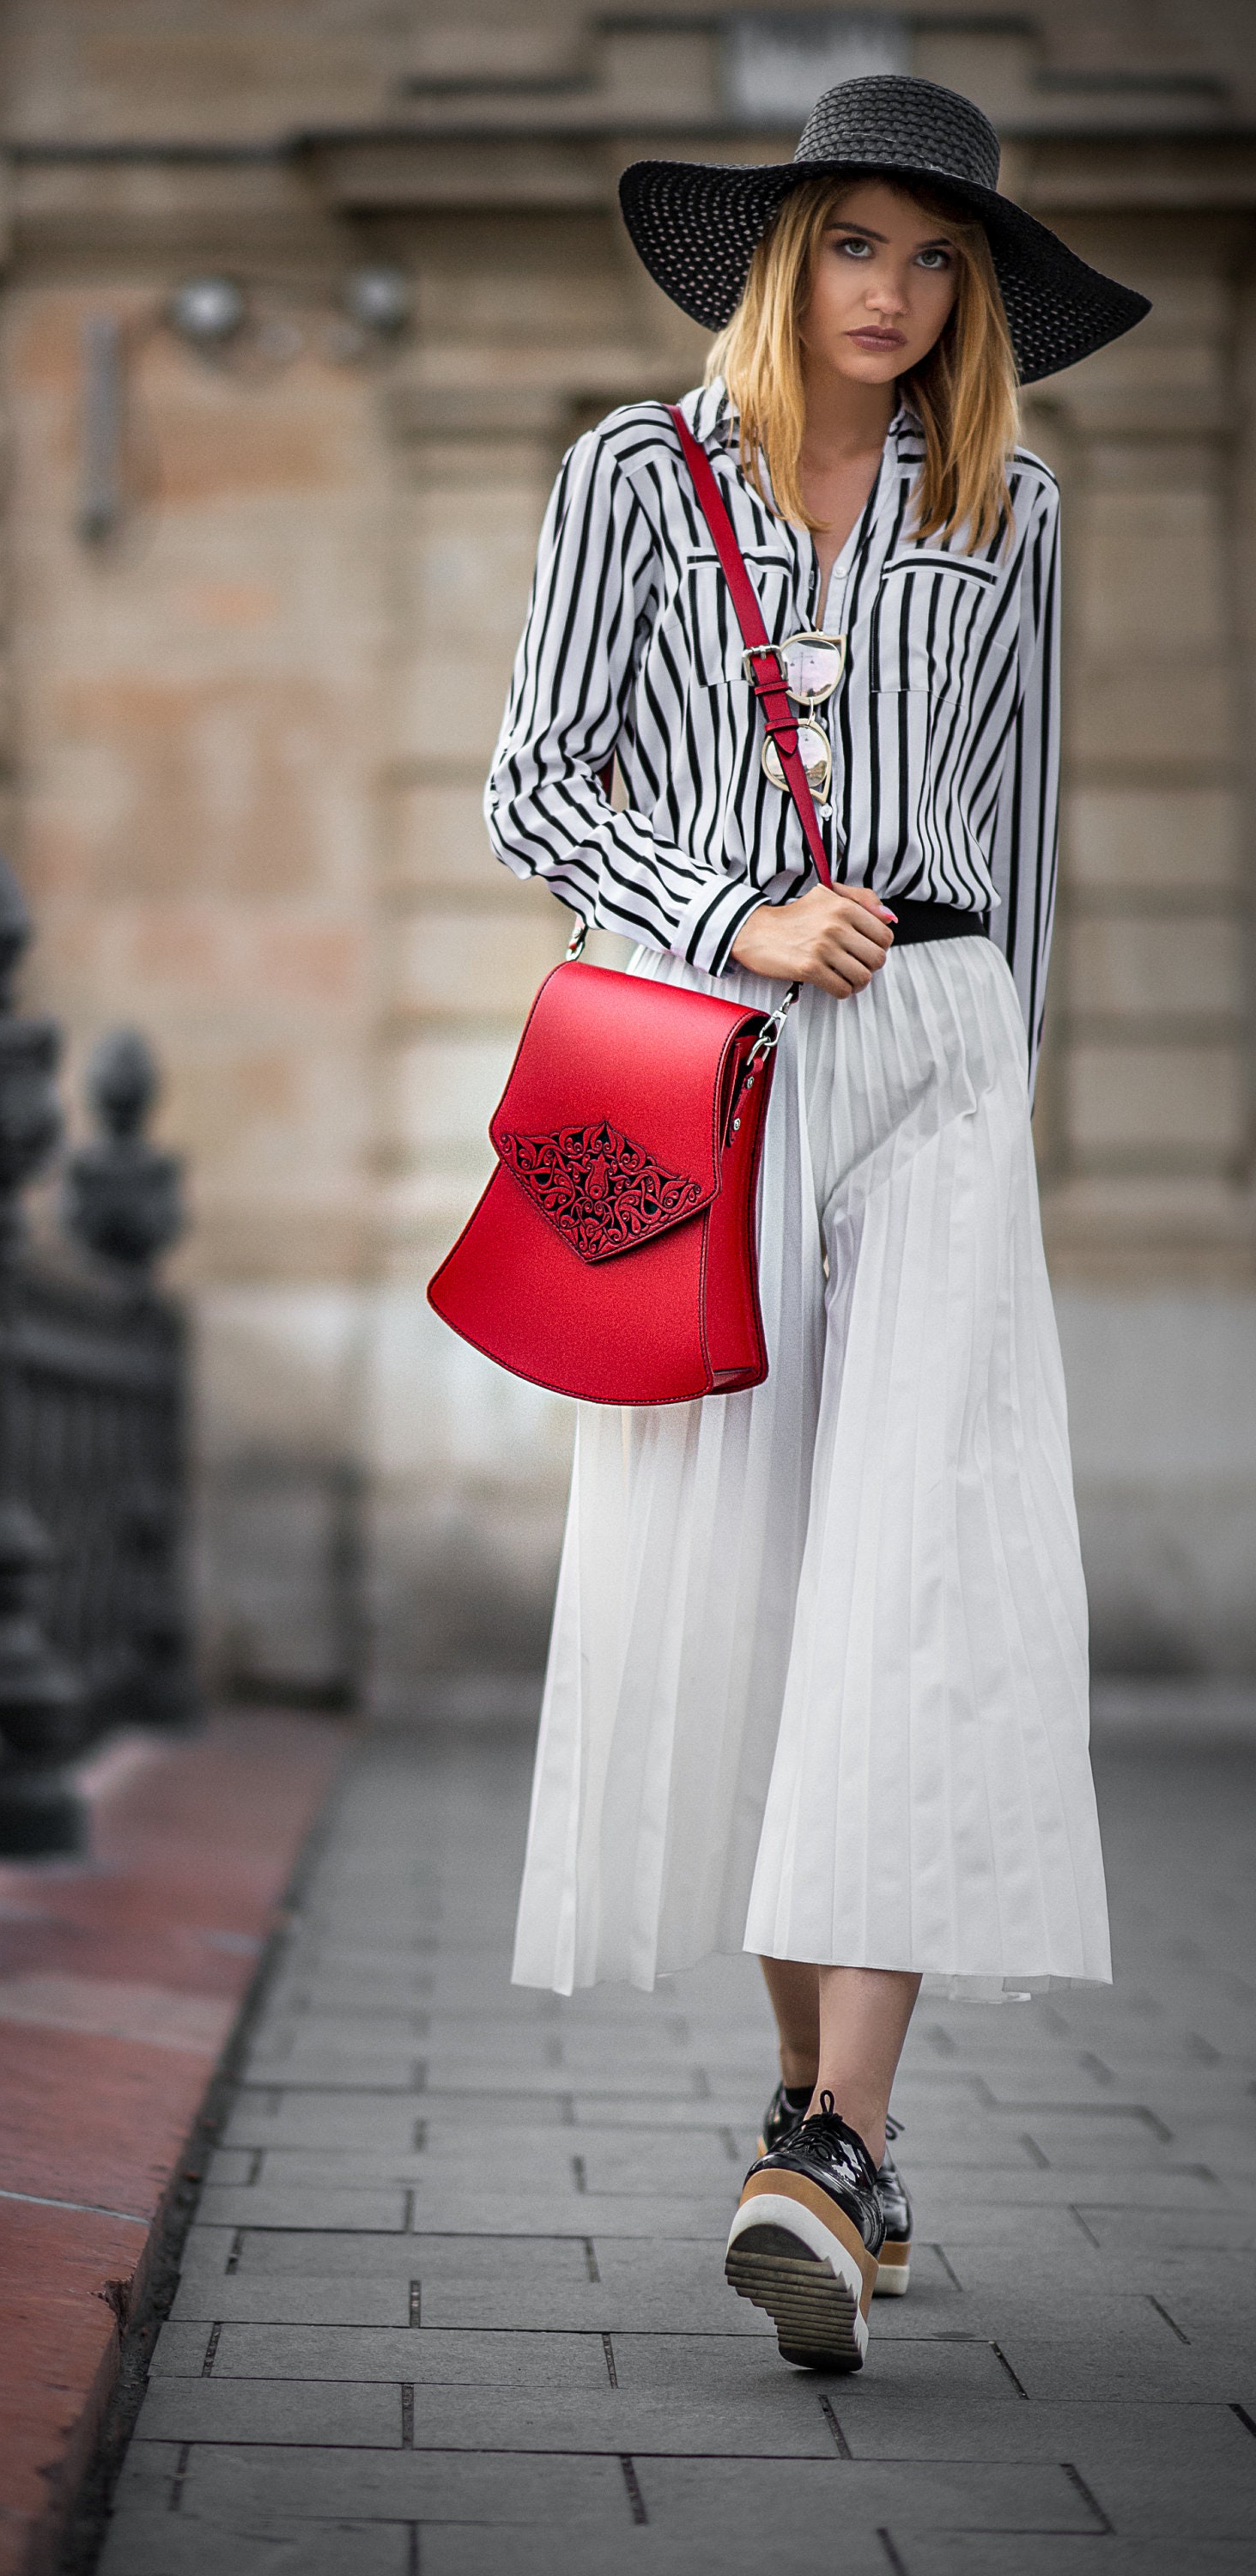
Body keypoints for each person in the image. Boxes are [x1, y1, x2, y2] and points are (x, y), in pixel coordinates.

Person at [483, 76, 1150, 2373]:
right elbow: (534, 777)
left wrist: (1005, 1077)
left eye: (940, 258)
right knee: (750, 1596)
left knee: (925, 1580)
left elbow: (1031, 840)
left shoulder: (1012, 508)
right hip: (713, 1061)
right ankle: (819, 2129)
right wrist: (737, 910)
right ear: (785, 256)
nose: (900, 294)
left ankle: (836, 2142)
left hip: (942, 1069)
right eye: (861, 245)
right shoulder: (629, 481)